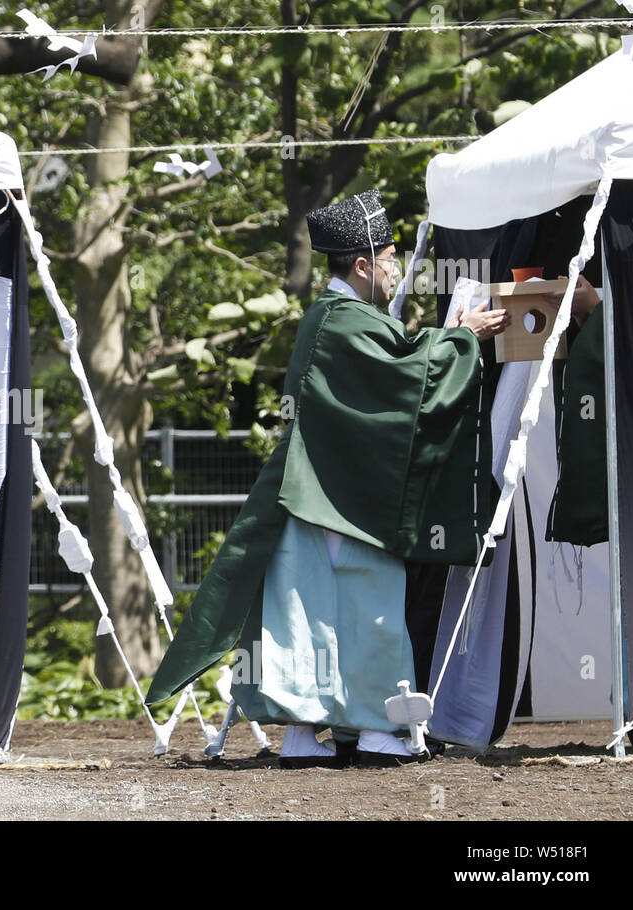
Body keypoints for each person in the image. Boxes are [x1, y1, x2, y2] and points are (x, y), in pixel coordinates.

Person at [146, 189, 509, 767]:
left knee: (307, 617)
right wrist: (464, 337)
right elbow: (412, 382)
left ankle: (300, 736)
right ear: (363, 265)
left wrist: (448, 339)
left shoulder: (333, 317)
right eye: (390, 259)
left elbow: (400, 367)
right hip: (340, 500)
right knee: (370, 608)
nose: (396, 271)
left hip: (309, 495)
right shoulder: (344, 320)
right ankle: (374, 732)